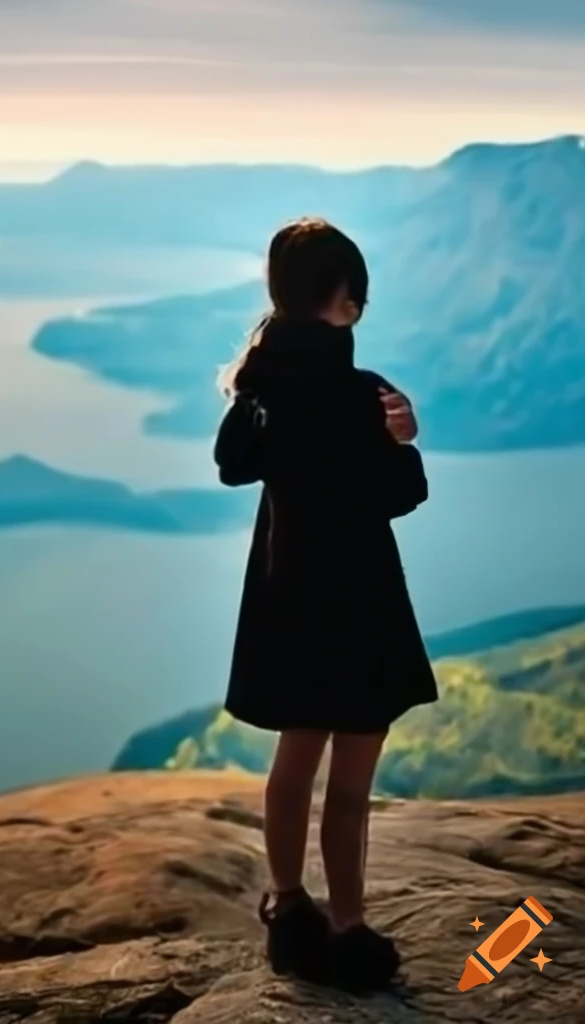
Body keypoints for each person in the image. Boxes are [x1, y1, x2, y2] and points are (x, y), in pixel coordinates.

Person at [213, 217, 438, 993]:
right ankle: (348, 926)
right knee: (349, 784)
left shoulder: (263, 387)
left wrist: (257, 381)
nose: (360, 304)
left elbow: (233, 466)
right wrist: (404, 442)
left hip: (289, 595)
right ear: (340, 299)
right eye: (356, 293)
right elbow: (395, 496)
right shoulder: (362, 394)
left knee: (295, 759)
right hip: (362, 599)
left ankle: (288, 905)